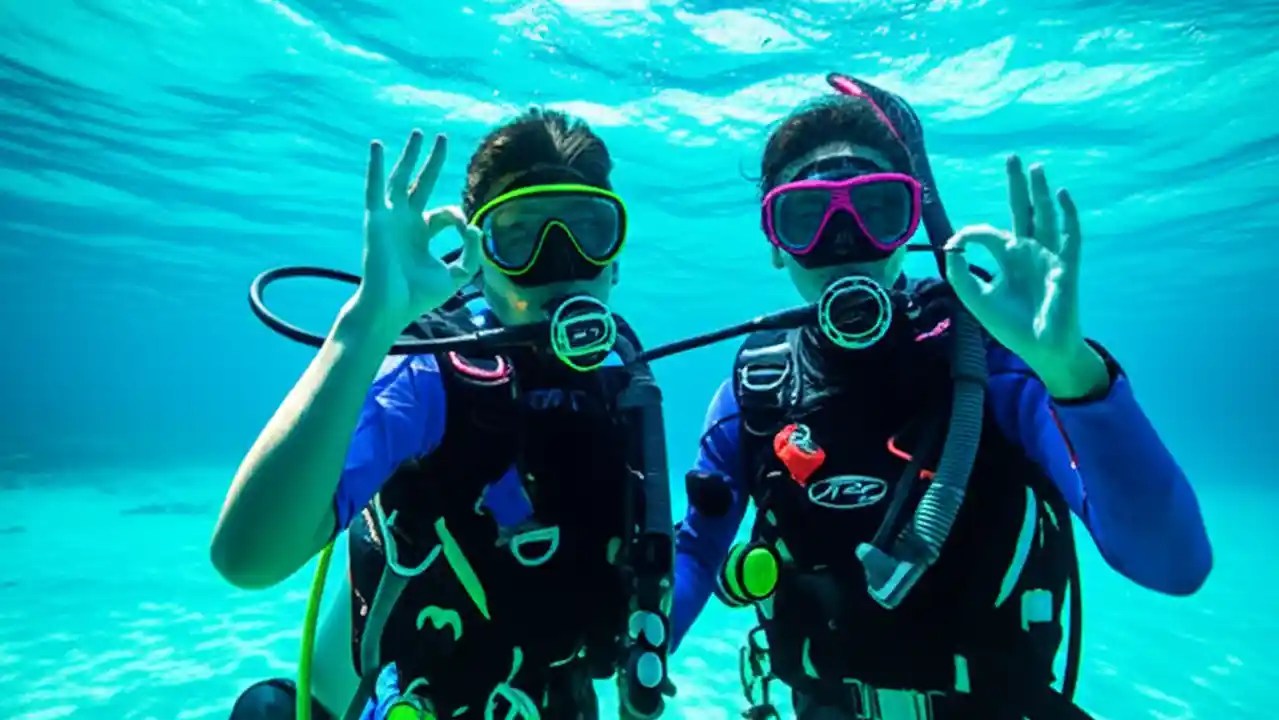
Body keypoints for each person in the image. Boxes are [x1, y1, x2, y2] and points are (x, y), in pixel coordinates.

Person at [669, 73, 1213, 720]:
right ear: (774, 246)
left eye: (877, 210)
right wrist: (631, 650)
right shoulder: (756, 391)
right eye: (806, 218)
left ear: (909, 229)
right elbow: (697, 552)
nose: (844, 243)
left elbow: (1172, 563)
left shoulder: (988, 363)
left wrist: (1070, 370)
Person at [212, 108, 674, 720]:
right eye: (520, 235)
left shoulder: (626, 387)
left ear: (615, 258)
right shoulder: (434, 377)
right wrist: (371, 322)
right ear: (479, 260)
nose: (560, 264)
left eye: (588, 230)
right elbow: (246, 559)